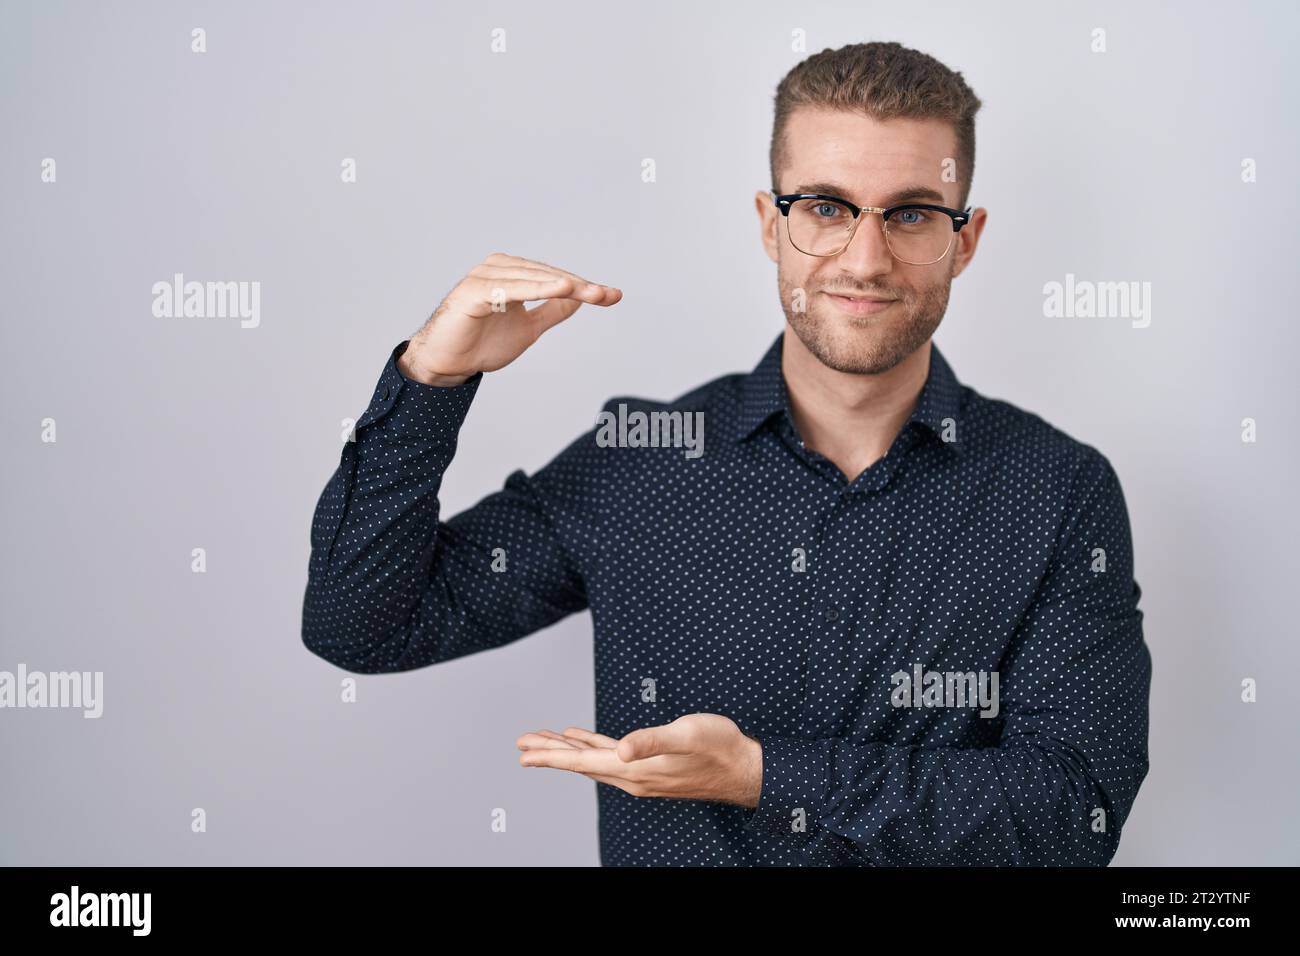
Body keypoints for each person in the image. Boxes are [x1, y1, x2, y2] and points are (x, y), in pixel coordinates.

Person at [301, 40, 1151, 866]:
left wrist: (761, 776)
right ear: (767, 225)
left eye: (912, 214)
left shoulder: (1058, 490)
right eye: (824, 207)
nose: (865, 258)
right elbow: (363, 627)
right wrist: (430, 381)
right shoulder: (635, 463)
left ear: (964, 240)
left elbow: (1074, 814)